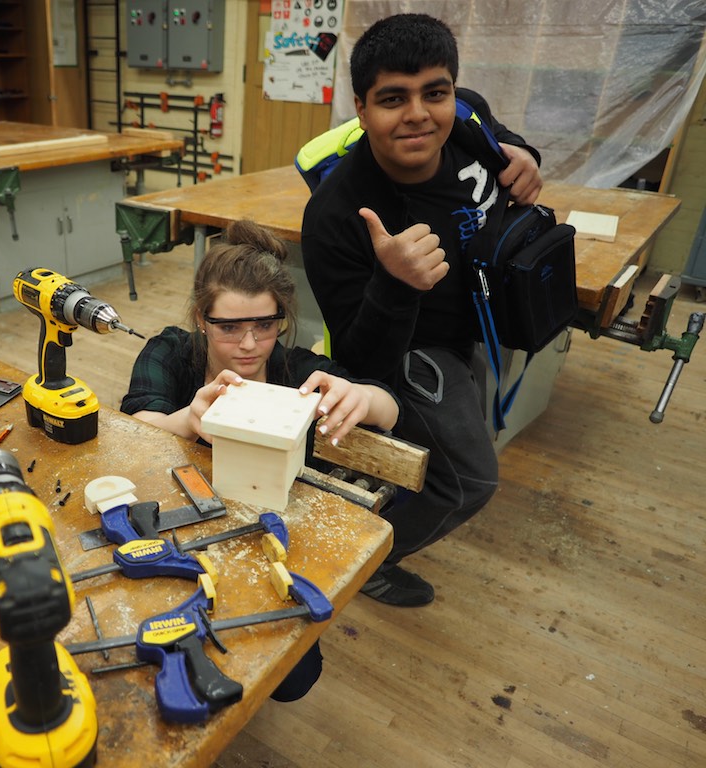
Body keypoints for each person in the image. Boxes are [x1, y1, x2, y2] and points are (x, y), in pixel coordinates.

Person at [300, 13, 544, 607]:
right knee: (468, 482)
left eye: (435, 92)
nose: (418, 114)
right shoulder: (338, 216)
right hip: (415, 349)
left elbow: (509, 148)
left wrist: (528, 158)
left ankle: (371, 497)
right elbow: (361, 359)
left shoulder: (467, 118)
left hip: (477, 323)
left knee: (448, 448)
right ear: (360, 109)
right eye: (392, 98)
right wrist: (397, 283)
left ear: (453, 92)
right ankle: (363, 560)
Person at [121, 218, 399, 701]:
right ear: (201, 319)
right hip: (175, 524)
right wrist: (187, 420)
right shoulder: (170, 352)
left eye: (264, 325)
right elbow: (131, 424)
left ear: (280, 320)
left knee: (290, 676)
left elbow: (389, 409)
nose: (248, 345)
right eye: (228, 327)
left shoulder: (297, 372)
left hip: (265, 533)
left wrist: (361, 396)